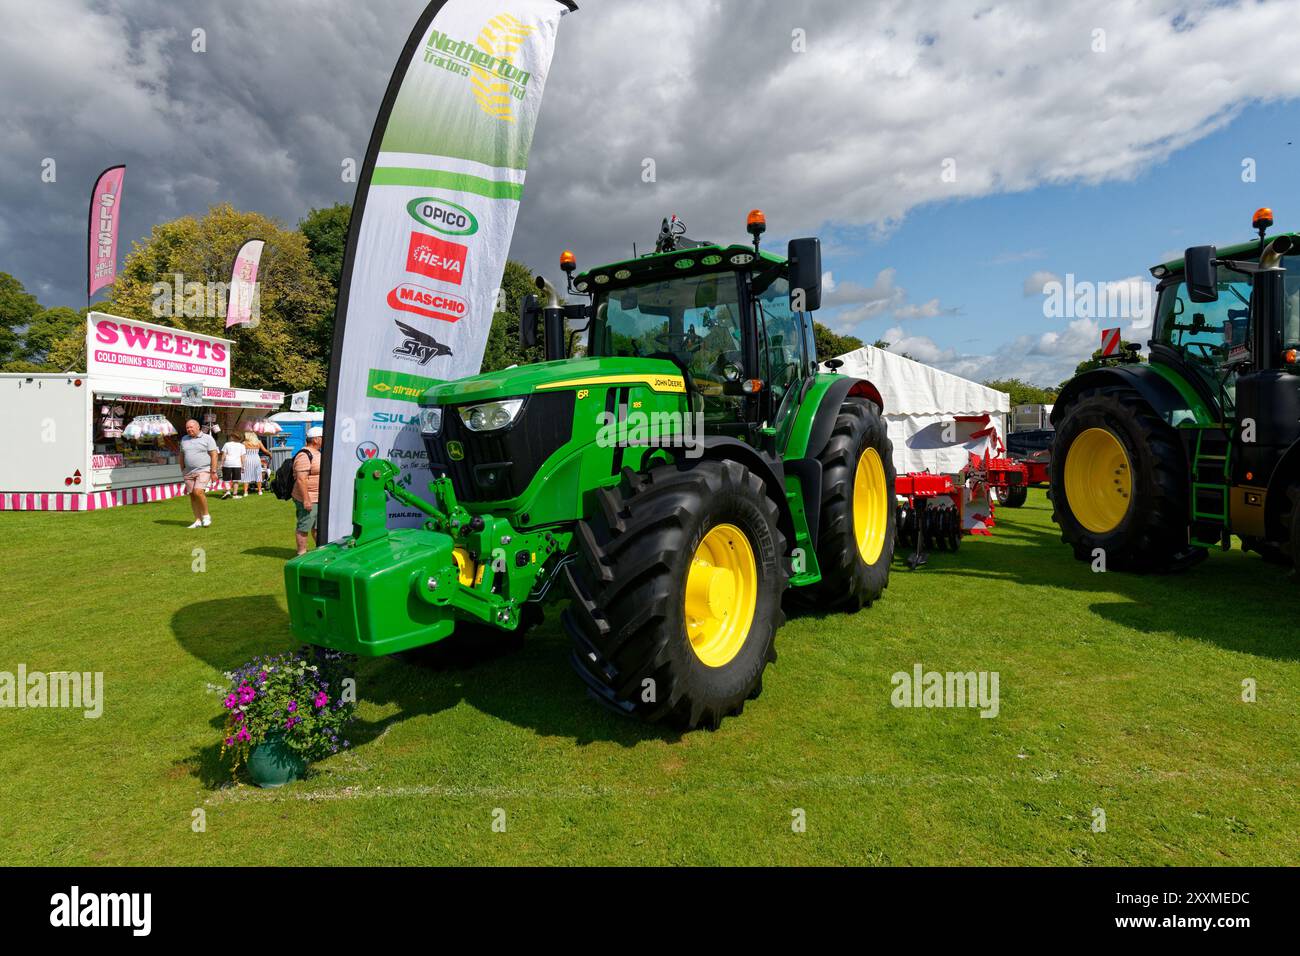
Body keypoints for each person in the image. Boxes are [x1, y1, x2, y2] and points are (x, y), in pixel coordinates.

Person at [180, 419, 219, 528]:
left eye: (191, 427)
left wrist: (214, 470)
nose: (189, 429)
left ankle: (206, 516)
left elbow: (214, 455)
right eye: (187, 427)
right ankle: (197, 520)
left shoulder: (207, 438)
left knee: (198, 492)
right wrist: (182, 469)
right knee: (192, 495)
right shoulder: (184, 439)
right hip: (188, 472)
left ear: (198, 427)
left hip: (203, 470)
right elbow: (182, 455)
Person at [292, 426, 324, 555]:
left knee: (317, 526)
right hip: (308, 497)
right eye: (322, 438)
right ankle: (301, 553)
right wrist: (306, 500)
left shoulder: (318, 452)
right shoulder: (304, 455)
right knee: (304, 526)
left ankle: (321, 551)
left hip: (318, 497)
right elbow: (301, 479)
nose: (324, 440)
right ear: (315, 439)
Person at [239, 431, 272, 497]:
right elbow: (265, 451)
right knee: (258, 475)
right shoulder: (258, 442)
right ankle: (260, 491)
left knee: (246, 475)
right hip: (256, 459)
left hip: (247, 459)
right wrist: (270, 454)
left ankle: (245, 492)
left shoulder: (244, 443)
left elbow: (240, 453)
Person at [219, 434, 247, 499]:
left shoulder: (227, 444)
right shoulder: (242, 446)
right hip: (237, 464)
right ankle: (234, 495)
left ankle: (228, 491)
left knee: (226, 479)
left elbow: (224, 455)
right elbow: (243, 457)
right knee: (236, 480)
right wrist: (243, 465)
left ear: (232, 437)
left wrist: (221, 463)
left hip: (227, 463)